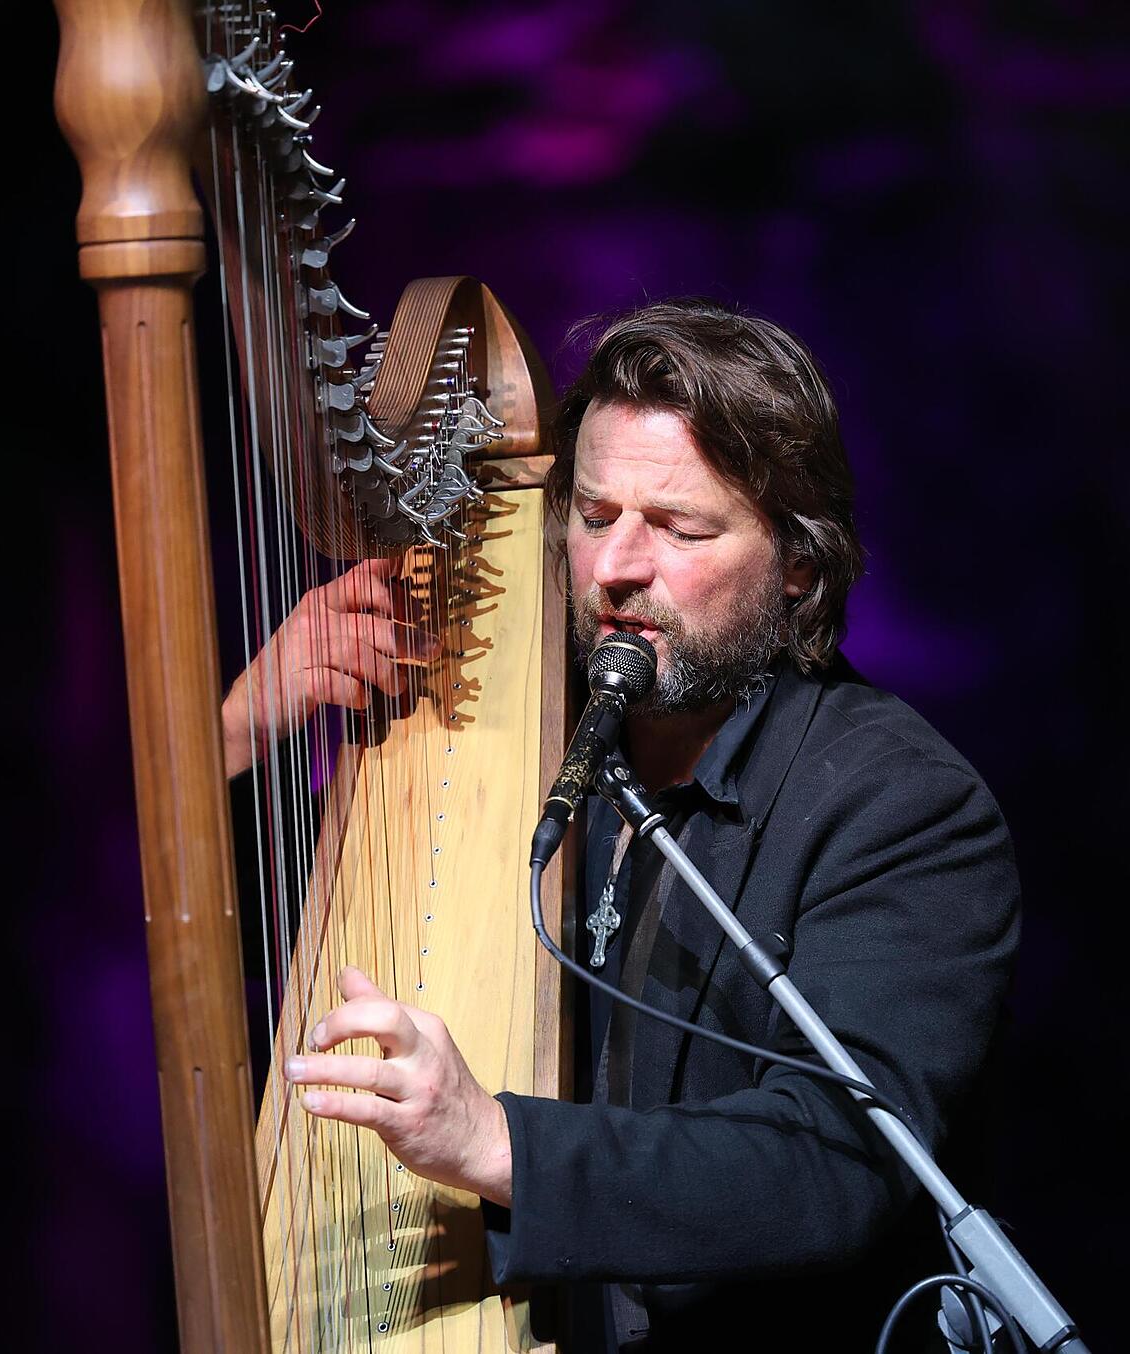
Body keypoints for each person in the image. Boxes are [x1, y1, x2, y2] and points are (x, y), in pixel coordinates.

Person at [224, 298, 1022, 1350]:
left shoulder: (904, 808)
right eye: (595, 516)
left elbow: (832, 1164)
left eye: (680, 528)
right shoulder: (519, 725)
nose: (615, 568)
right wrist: (237, 731)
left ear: (798, 564)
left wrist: (497, 1143)